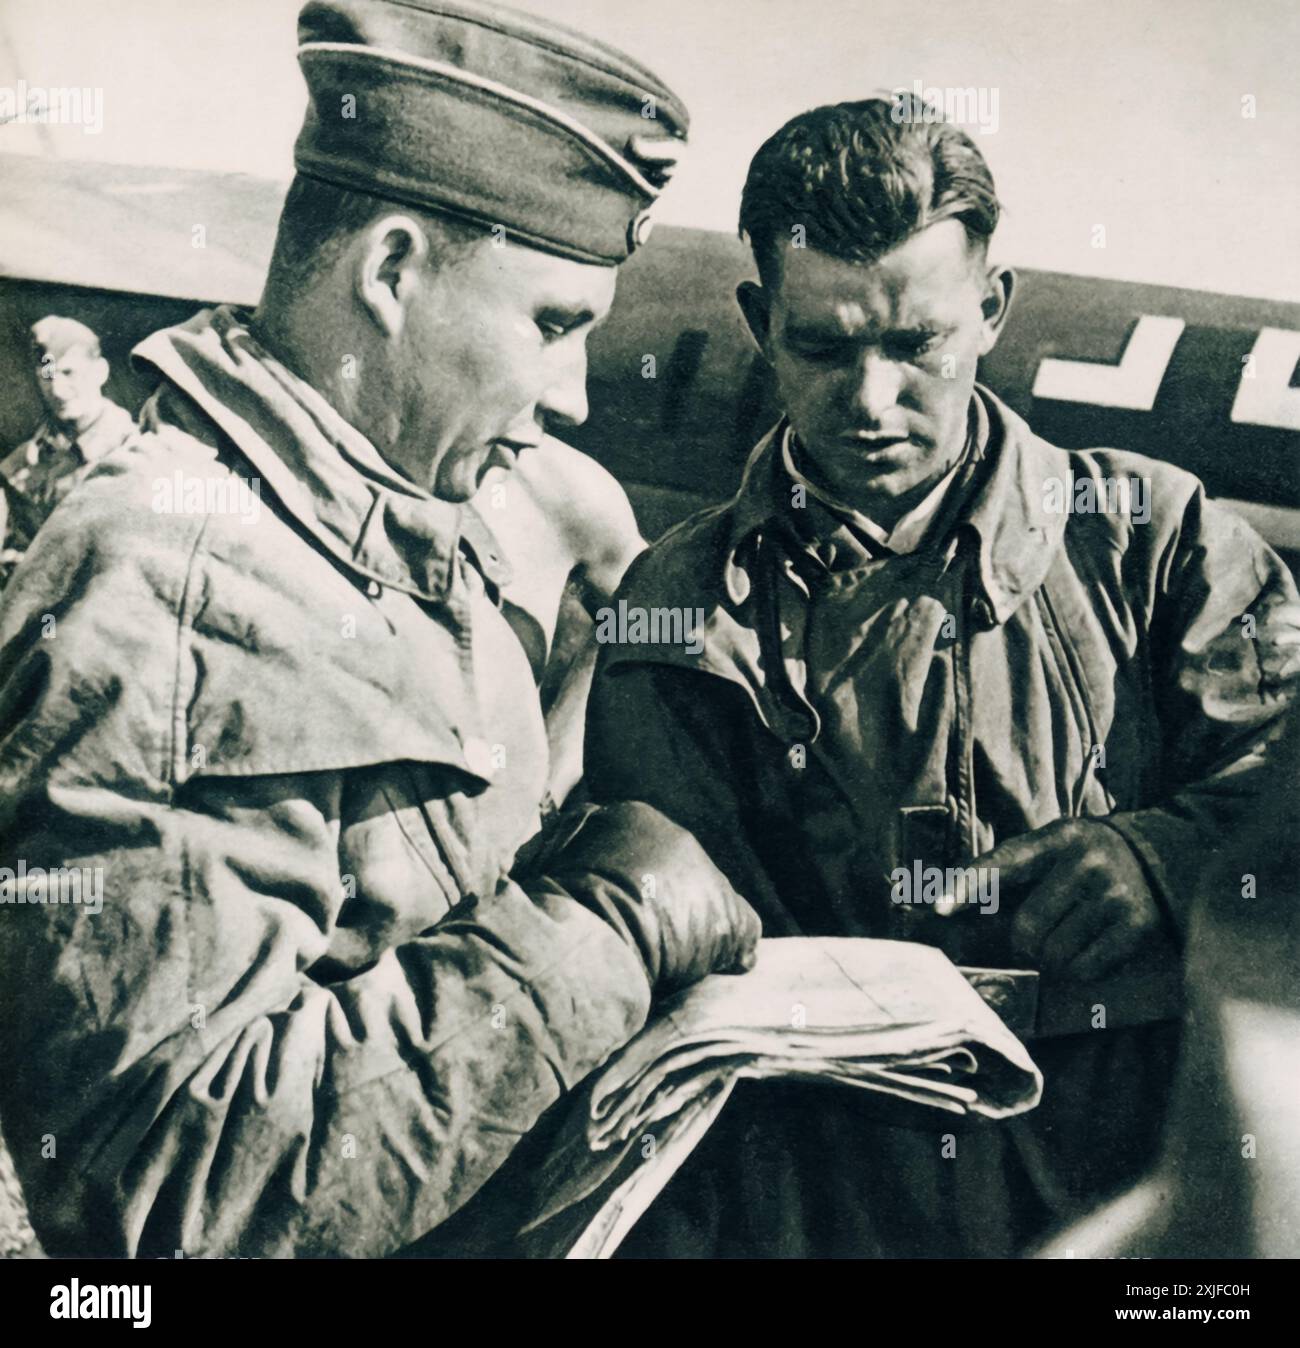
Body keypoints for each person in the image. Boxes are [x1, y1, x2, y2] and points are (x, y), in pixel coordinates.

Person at [0, 0, 757, 1259]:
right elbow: (174, 1194)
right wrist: (603, 929)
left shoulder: (399, 539)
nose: (571, 395)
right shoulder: (186, 589)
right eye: (555, 324)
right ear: (391, 271)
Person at [585, 95, 1300, 1256]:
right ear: (760, 322)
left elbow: (1289, 809)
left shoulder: (1159, 541)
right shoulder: (675, 605)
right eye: (822, 346)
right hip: (825, 1212)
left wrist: (1165, 856)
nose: (870, 401)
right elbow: (649, 948)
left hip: (1130, 1202)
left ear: (992, 308)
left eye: (915, 344)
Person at [470, 436, 645, 811]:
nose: (571, 409)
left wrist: (553, 766)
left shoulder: (563, 488)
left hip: (493, 831)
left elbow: (654, 617)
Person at [0, 316, 135, 585]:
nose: (58, 391)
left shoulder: (132, 449)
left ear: (100, 372)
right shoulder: (23, 463)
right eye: (47, 376)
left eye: (69, 373)